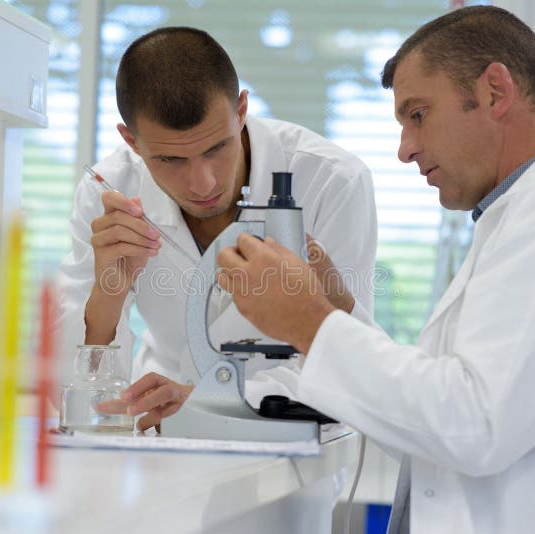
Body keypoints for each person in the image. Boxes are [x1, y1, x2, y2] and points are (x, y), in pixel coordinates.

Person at [216, 6, 535, 533]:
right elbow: (437, 403)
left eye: (417, 114)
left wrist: (307, 322)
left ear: (495, 91)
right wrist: (339, 312)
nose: (405, 150)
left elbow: (474, 425)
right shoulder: (526, 215)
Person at [56, 27, 377, 431]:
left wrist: (211, 400)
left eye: (216, 148)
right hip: (161, 442)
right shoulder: (110, 192)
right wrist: (109, 292)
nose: (202, 183)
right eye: (170, 160)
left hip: (290, 453)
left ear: (241, 110)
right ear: (131, 141)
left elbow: (349, 361)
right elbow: (75, 397)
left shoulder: (330, 181)